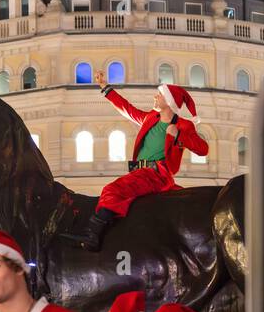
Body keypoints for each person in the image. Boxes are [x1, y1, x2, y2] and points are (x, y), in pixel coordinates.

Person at [60, 71, 209, 251]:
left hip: (156, 174)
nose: (155, 96)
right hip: (139, 172)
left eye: (160, 95)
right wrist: (105, 88)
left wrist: (179, 135)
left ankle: (92, 235)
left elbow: (203, 149)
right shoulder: (150, 118)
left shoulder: (183, 125)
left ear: (169, 102)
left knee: (112, 189)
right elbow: (127, 109)